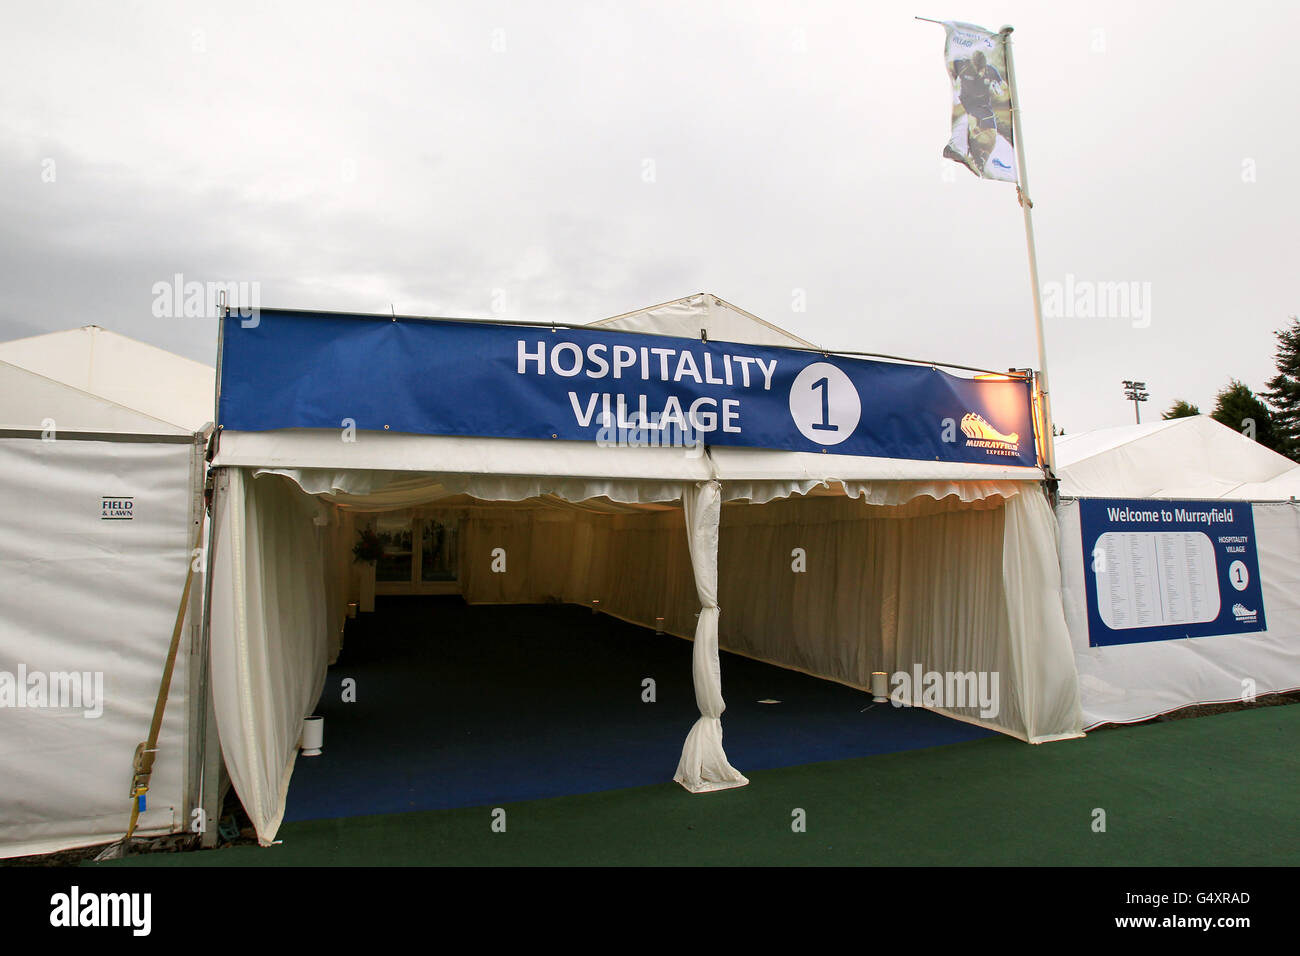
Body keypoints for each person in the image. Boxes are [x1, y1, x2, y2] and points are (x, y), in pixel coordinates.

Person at [948, 49, 1007, 174]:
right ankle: (959, 148)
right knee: (970, 123)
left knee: (992, 134)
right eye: (978, 69)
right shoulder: (963, 65)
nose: (980, 72)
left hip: (983, 105)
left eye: (982, 69)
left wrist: (1000, 90)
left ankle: (981, 159)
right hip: (966, 104)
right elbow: (950, 65)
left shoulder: (991, 71)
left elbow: (1003, 87)